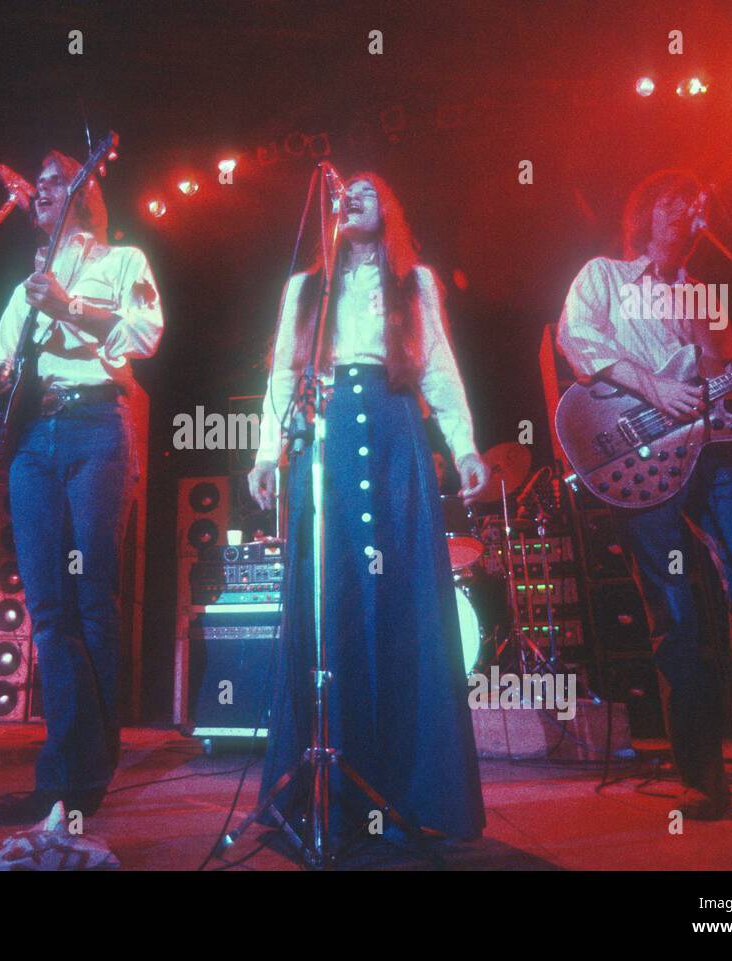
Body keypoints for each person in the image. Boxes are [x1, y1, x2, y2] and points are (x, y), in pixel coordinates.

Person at [556, 168, 732, 829]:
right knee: (675, 619)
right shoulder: (604, 277)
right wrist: (650, 386)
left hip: (714, 451)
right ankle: (703, 781)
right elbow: (576, 338)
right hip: (639, 455)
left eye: (697, 205)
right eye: (678, 204)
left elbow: (719, 379)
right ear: (646, 214)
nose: (690, 213)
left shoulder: (705, 295)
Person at [248, 172, 488, 848]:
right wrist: (267, 454)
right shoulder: (304, 290)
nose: (350, 196)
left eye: (366, 189)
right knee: (331, 600)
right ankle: (322, 779)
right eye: (342, 190)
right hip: (326, 432)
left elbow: (438, 364)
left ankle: (409, 784)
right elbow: (281, 377)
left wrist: (462, 444)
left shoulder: (417, 283)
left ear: (390, 207)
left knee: (401, 597)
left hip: (392, 426)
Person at [0, 150, 163, 822]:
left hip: (94, 427)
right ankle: (58, 775)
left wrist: (72, 304)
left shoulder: (122, 261)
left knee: (92, 601)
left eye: (54, 181)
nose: (39, 190)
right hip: (33, 437)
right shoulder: (25, 283)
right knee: (48, 611)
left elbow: (146, 332)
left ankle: (90, 776)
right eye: (39, 183)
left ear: (83, 193)